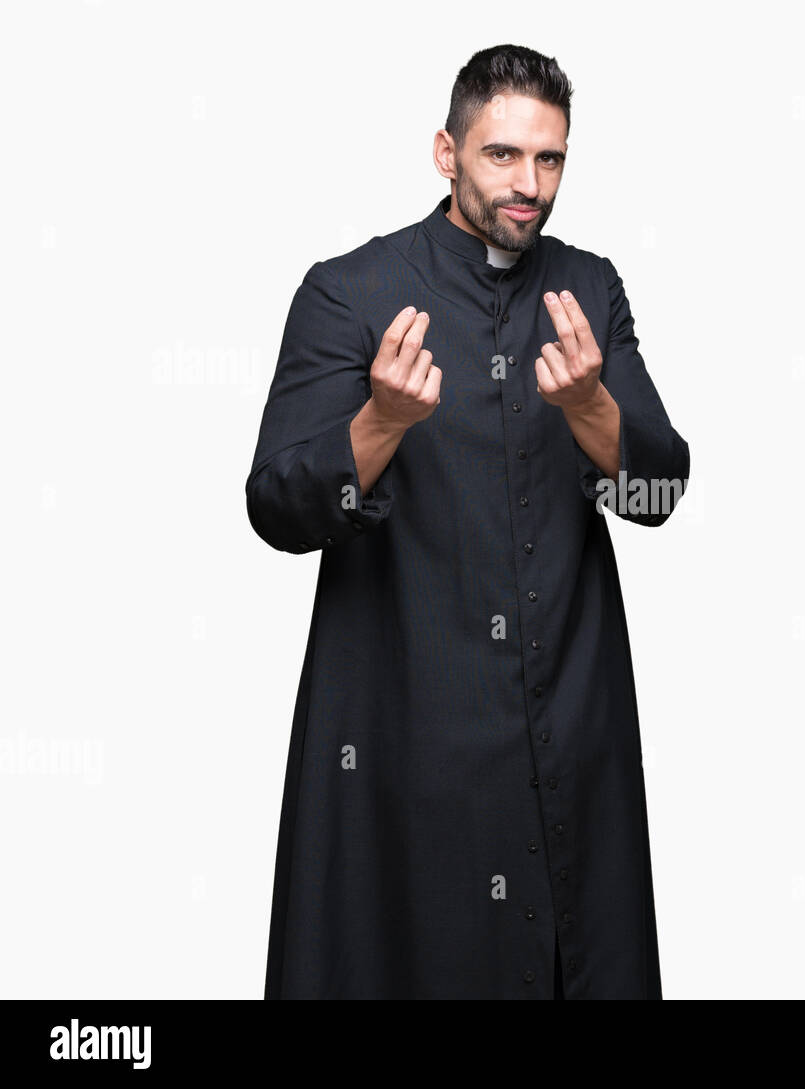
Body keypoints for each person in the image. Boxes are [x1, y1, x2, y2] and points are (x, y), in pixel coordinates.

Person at [246, 43, 689, 999]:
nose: (529, 186)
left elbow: (657, 495)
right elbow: (276, 506)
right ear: (446, 151)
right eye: (502, 156)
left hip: (571, 734)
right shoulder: (349, 290)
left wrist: (588, 408)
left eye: (551, 159)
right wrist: (381, 424)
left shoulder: (590, 288)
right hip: (408, 742)